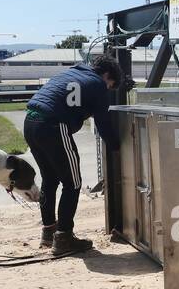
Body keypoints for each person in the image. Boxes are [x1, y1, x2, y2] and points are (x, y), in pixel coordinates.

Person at [22, 55, 121, 254]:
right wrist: (117, 146)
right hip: (54, 125)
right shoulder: (98, 84)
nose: (108, 90)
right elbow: (103, 123)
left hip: (31, 122)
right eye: (111, 85)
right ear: (107, 75)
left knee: (50, 179)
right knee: (73, 182)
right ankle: (64, 238)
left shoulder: (72, 72)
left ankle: (48, 232)